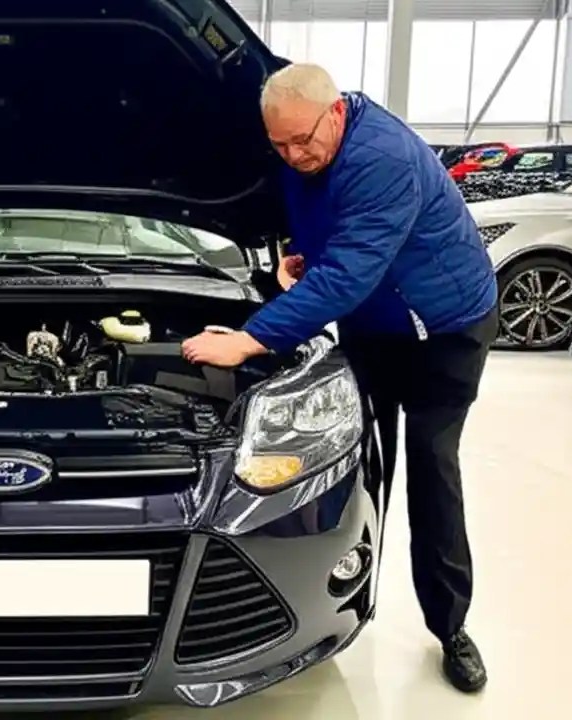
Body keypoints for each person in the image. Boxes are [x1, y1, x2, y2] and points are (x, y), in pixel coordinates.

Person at [181, 63, 498, 694]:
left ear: (337, 113)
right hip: (372, 324)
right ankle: (346, 592)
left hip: (445, 329)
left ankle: (451, 627)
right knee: (354, 460)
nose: (295, 155)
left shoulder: (382, 157)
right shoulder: (301, 144)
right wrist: (300, 253)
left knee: (431, 466)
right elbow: (320, 231)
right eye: (280, 145)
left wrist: (251, 338)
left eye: (304, 141)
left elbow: (351, 272)